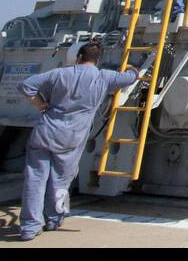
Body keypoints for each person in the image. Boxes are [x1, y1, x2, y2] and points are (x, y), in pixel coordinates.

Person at [17, 40, 140, 241]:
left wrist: (41, 104)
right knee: (60, 179)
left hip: (45, 131)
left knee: (35, 178)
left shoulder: (59, 74)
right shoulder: (103, 77)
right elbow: (129, 77)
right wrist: (133, 70)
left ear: (79, 57)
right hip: (72, 137)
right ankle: (54, 219)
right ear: (97, 59)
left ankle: (29, 227)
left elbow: (25, 86)